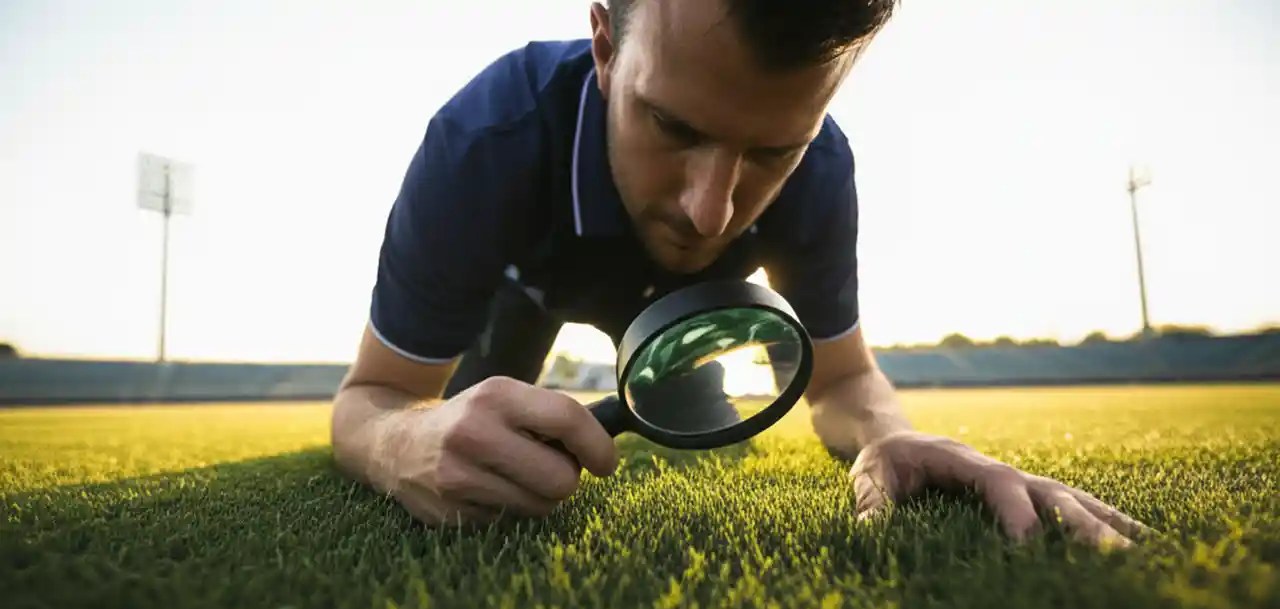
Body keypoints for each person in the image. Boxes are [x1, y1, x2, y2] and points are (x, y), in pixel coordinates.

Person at [330, 0, 1151, 548]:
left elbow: (842, 381)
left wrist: (888, 436)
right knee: (483, 449)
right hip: (525, 293)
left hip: (690, 324)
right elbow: (370, 398)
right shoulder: (483, 143)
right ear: (607, 48)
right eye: (672, 125)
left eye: (772, 151)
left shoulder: (825, 171)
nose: (712, 214)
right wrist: (403, 437)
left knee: (701, 426)